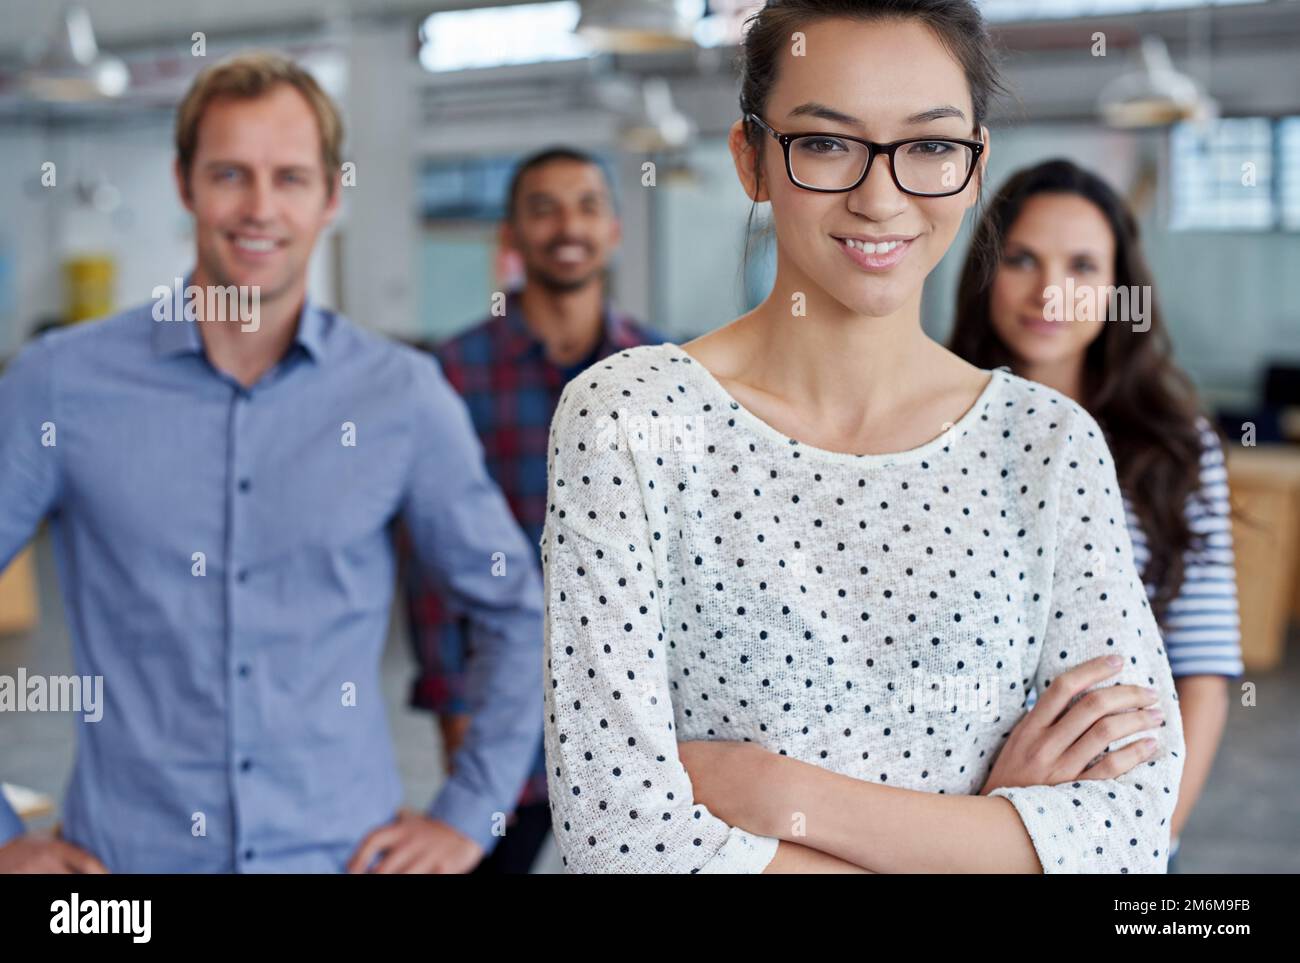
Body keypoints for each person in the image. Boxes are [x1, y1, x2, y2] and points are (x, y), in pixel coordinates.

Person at [540, 0, 1184, 874]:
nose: (880, 198)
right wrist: (993, 838)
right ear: (752, 160)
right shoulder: (632, 418)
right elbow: (619, 840)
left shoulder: (1045, 443)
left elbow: (1129, 830)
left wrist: (769, 791)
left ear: (973, 166)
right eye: (826, 143)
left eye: (929, 146)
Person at [0, 52, 543, 874]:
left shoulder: (399, 395)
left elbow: (515, 607)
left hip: (339, 859)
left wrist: (470, 813)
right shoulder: (59, 383)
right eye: (229, 174)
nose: (259, 208)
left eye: (289, 177)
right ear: (184, 184)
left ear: (331, 196)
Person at [948, 158, 1242, 873]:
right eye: (1022, 258)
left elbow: (1201, 667)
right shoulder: (935, 422)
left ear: (1117, 288)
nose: (1052, 292)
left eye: (1082, 266)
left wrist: (1153, 836)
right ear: (987, 271)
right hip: (958, 804)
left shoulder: (1174, 443)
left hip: (1121, 807)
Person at [401, 147, 665, 873]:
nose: (565, 225)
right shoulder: (453, 372)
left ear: (612, 229)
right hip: (498, 707)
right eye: (542, 208)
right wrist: (451, 700)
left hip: (632, 704)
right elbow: (428, 563)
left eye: (584, 205)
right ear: (512, 237)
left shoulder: (662, 370)